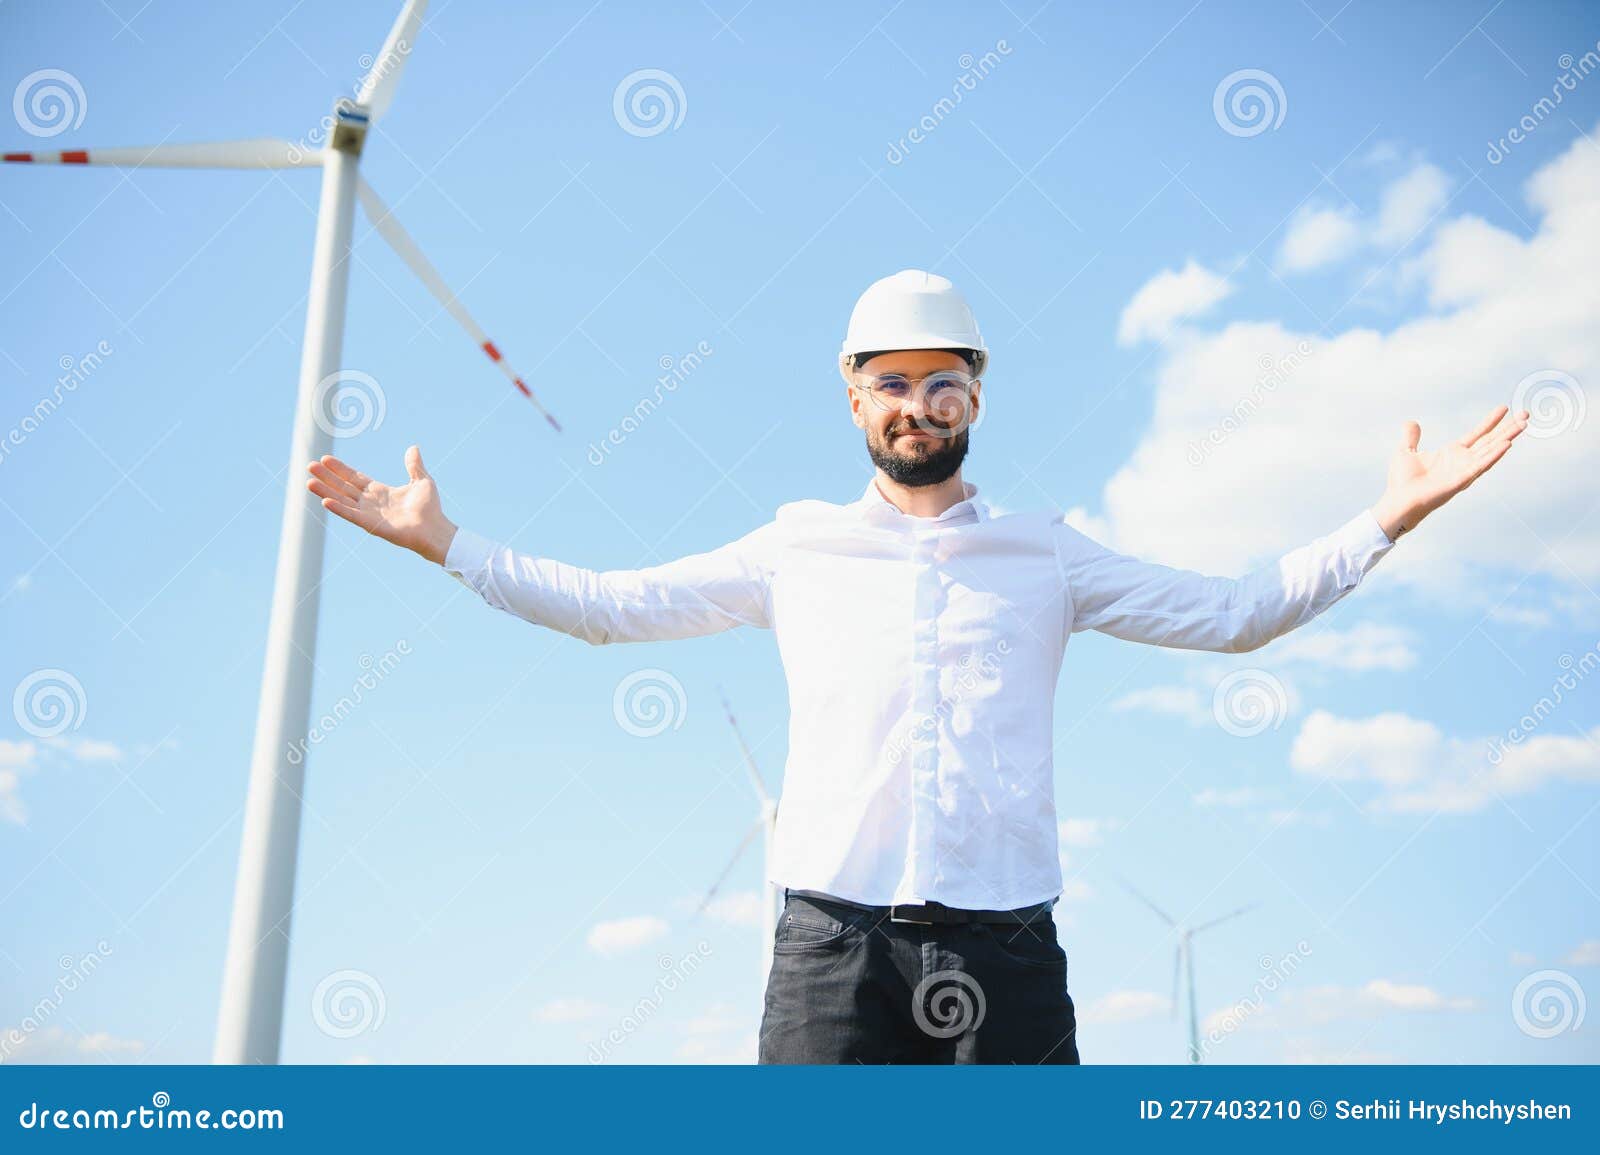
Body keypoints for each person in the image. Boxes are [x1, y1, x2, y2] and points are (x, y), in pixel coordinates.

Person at [306, 268, 1530, 1064]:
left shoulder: (1047, 554)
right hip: (829, 957)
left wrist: (1387, 519)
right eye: (891, 385)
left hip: (1006, 954)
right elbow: (608, 610)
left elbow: (1237, 613)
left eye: (941, 386)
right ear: (851, 398)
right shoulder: (793, 545)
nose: (916, 409)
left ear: (976, 398)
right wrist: (446, 545)